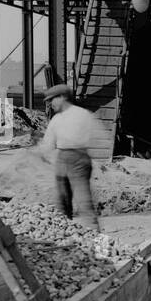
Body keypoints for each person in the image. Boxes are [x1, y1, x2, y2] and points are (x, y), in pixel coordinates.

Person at [39, 82, 100, 229]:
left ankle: (95, 238)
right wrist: (41, 153)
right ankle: (66, 236)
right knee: (62, 203)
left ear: (63, 97)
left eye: (52, 99)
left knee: (83, 201)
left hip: (79, 159)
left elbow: (96, 137)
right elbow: (48, 144)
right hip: (62, 159)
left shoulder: (82, 115)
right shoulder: (56, 119)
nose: (50, 104)